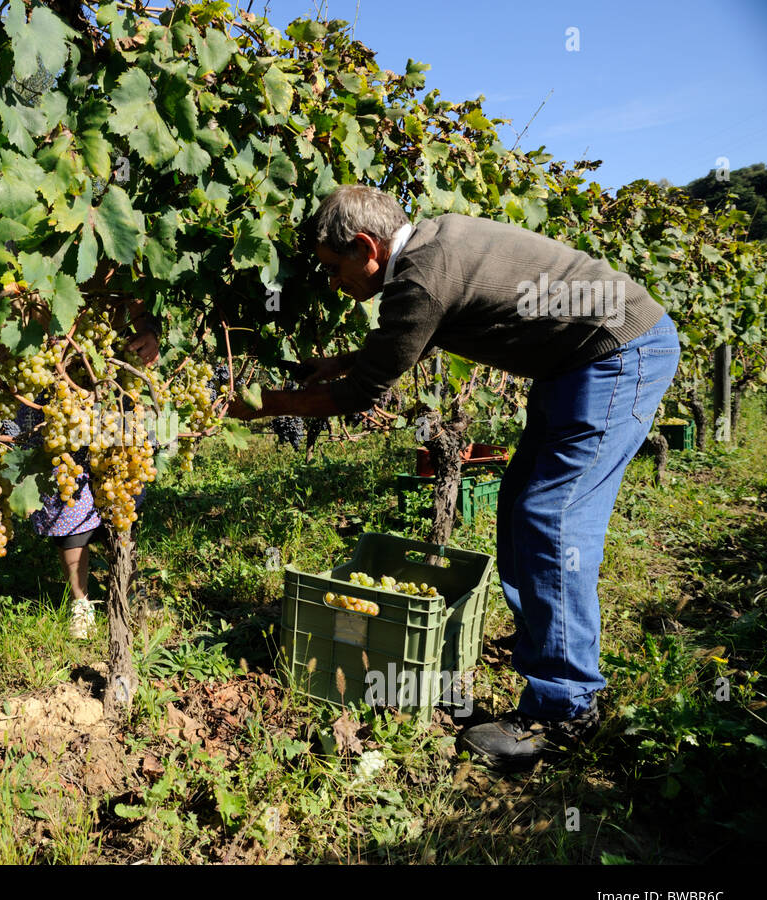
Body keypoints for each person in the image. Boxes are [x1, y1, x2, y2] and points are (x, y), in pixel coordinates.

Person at [232, 184, 680, 771]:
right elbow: (394, 346)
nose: (337, 284)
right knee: (522, 506)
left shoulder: (419, 280)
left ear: (367, 246)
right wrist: (337, 362)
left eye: (336, 269)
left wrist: (263, 405)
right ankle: (548, 657)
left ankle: (566, 709)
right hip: (577, 362)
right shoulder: (429, 248)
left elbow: (360, 393)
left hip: (616, 354)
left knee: (552, 519)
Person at [10, 299, 160, 639]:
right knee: (68, 498)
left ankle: (129, 586)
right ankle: (81, 603)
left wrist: (149, 332)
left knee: (122, 487)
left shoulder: (116, 260)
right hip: (56, 389)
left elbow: (138, 299)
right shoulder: (23, 267)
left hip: (111, 379)